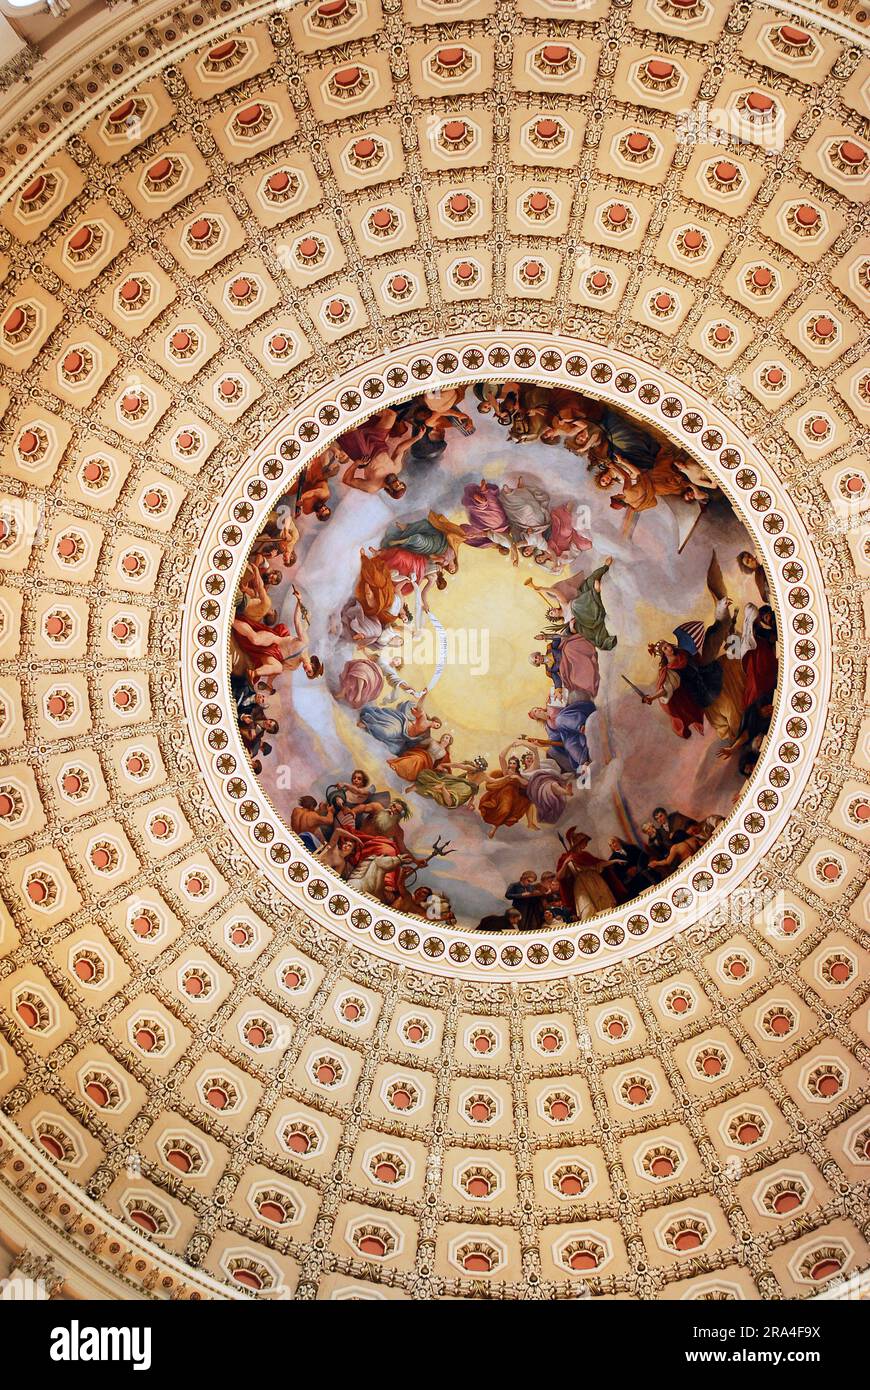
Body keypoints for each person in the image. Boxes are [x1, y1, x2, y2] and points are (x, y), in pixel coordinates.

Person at [555, 828, 617, 921]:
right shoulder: (565, 857)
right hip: (581, 885)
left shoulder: (586, 855)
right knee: (587, 910)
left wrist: (614, 861)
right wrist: (565, 863)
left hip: (596, 882)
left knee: (605, 905)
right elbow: (559, 877)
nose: (586, 844)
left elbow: (598, 864)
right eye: (585, 842)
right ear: (578, 843)